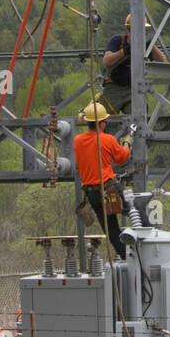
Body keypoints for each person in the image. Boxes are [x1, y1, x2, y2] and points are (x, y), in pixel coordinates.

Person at [74, 101, 131, 259]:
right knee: (135, 212)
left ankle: (126, 256)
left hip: (92, 194)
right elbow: (122, 157)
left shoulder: (77, 141)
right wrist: (128, 142)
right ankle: (146, 251)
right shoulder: (107, 139)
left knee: (111, 228)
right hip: (109, 189)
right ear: (102, 123)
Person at [102, 14, 167, 118]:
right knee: (104, 118)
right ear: (129, 28)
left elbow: (162, 63)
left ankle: (130, 134)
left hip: (135, 89)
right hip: (115, 87)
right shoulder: (118, 41)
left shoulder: (145, 45)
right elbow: (107, 61)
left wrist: (149, 44)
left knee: (138, 120)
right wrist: (124, 51)